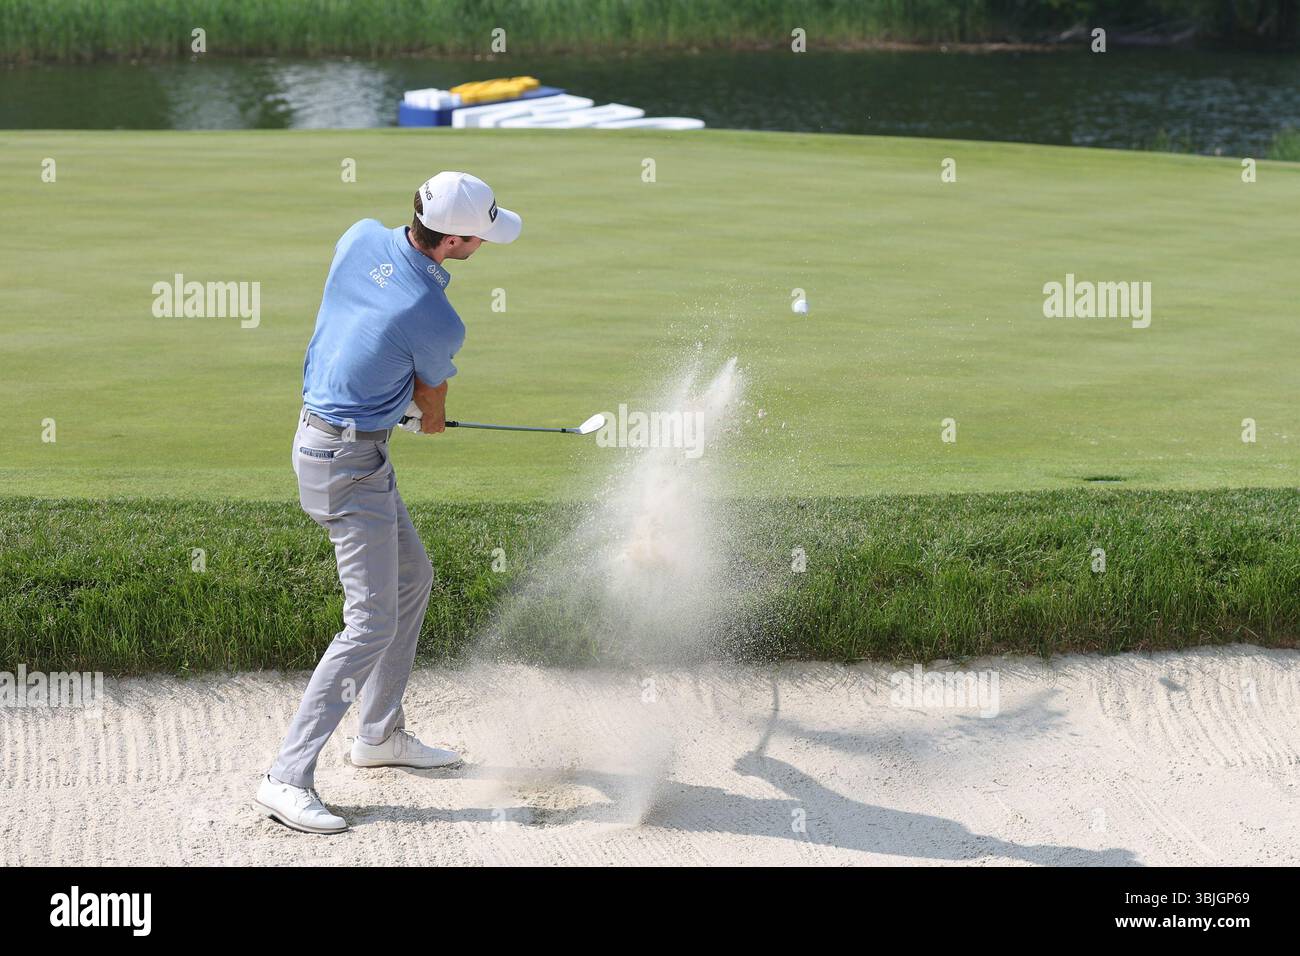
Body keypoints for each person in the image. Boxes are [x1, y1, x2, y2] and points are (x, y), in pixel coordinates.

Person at [254, 172, 522, 834]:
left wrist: (385, 397)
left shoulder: (360, 237)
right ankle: (286, 776)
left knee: (412, 577)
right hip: (347, 465)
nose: (485, 244)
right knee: (370, 621)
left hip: (332, 440)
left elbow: (358, 323)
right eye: (481, 236)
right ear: (454, 238)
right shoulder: (434, 317)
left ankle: (379, 734)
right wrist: (420, 412)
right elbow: (432, 408)